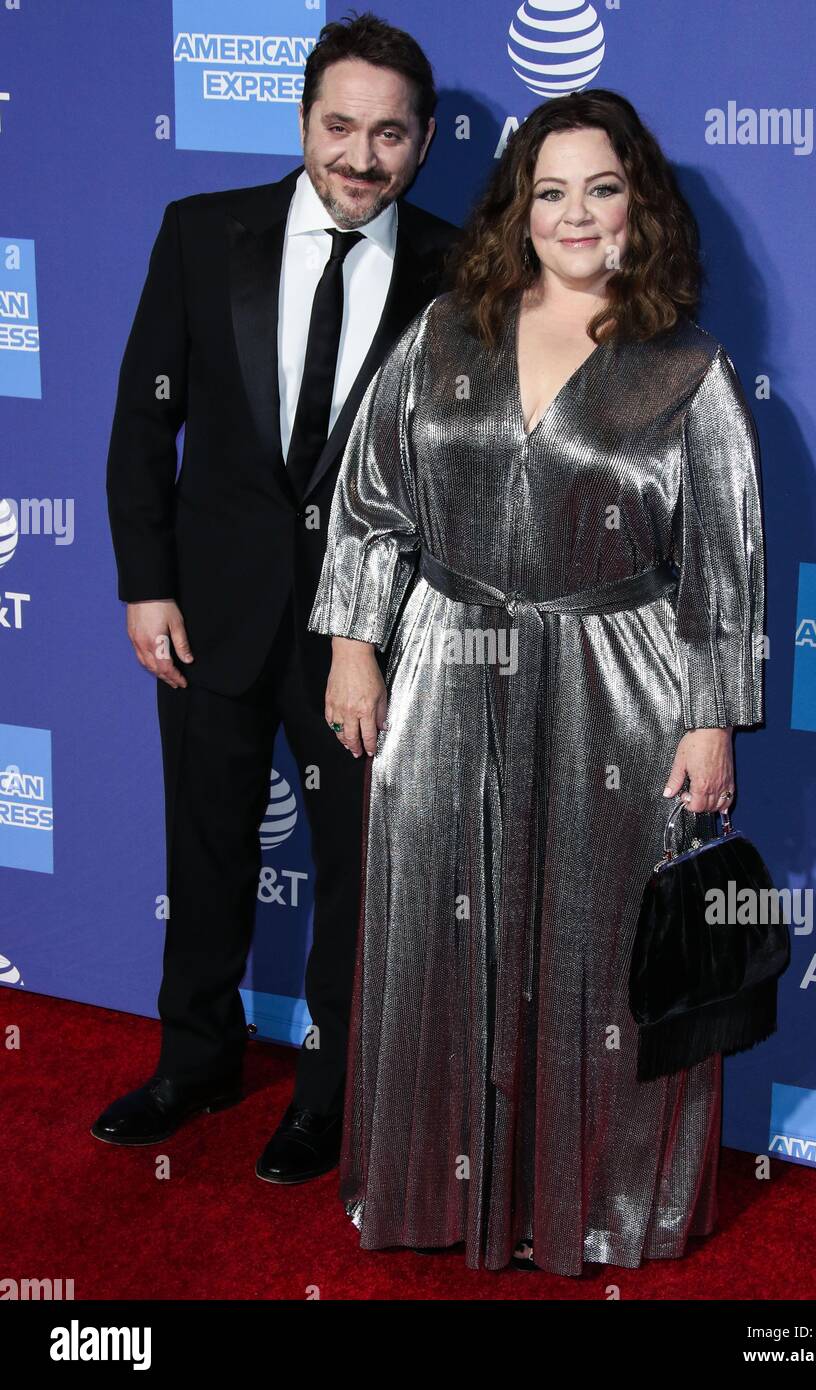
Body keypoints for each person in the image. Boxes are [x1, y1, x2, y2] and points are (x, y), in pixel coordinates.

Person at [307, 89, 766, 1276]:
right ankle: (432, 1190)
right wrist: (356, 642)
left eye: (600, 188)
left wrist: (710, 717)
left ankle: (591, 1207)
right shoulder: (447, 332)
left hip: (617, 684)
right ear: (517, 206)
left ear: (637, 205)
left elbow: (723, 562)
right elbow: (368, 497)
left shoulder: (686, 369)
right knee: (428, 933)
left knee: (595, 952)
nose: (573, 214)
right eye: (548, 190)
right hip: (444, 669)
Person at [96, 14, 459, 1184]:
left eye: (389, 133)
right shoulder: (203, 234)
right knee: (201, 851)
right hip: (207, 612)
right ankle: (194, 1063)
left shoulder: (455, 274)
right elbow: (144, 423)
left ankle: (330, 1095)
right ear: (302, 119)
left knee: (360, 880)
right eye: (340, 125)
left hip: (369, 640)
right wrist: (146, 584)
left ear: (423, 140)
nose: (361, 156)